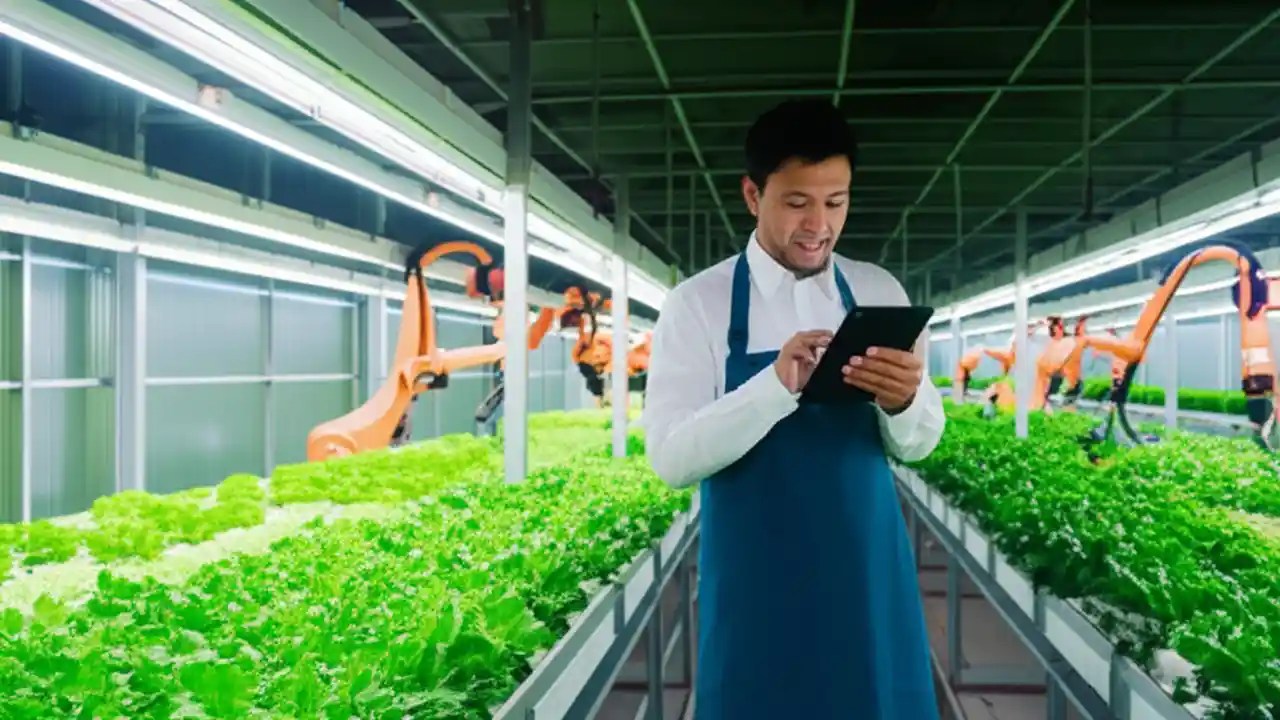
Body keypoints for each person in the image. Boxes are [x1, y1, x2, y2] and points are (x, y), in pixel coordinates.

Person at [642, 99, 945, 719]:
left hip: (866, 577)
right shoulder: (697, 304)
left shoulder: (879, 291)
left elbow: (919, 444)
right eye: (797, 202)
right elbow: (671, 458)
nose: (819, 224)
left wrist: (905, 400)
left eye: (836, 202)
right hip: (757, 584)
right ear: (753, 195)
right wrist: (773, 388)